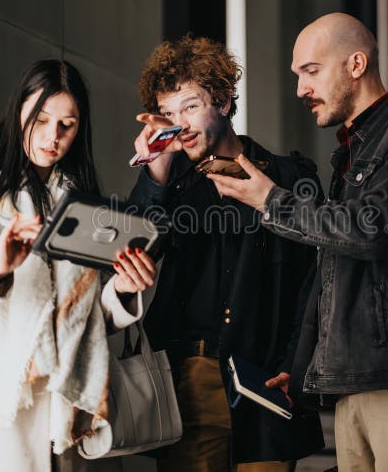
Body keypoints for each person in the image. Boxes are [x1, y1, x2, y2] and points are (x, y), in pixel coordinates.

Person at [209, 13, 388, 471]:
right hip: (360, 390)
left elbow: (371, 228)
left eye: (310, 71)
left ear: (356, 64)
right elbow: (332, 272)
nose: (299, 89)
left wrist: (272, 201)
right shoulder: (354, 151)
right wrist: (299, 372)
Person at [0, 59, 157, 472]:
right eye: (40, 119)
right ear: (17, 112)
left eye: (67, 124)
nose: (52, 137)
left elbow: (92, 316)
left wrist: (125, 290)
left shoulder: (85, 205)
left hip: (67, 423)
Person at [128, 35, 324, 471]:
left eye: (190, 106)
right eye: (170, 113)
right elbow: (130, 258)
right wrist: (155, 176)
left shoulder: (290, 178)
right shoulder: (170, 183)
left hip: (266, 378)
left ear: (223, 98)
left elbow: (311, 285)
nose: (181, 123)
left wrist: (296, 364)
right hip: (192, 378)